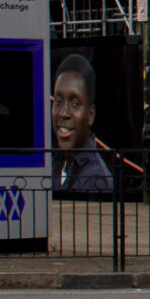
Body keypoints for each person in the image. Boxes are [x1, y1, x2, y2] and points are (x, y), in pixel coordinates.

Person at [51, 54, 113, 194]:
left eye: (75, 104)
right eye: (58, 101)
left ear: (90, 115)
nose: (63, 113)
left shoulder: (97, 179)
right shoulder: (53, 163)